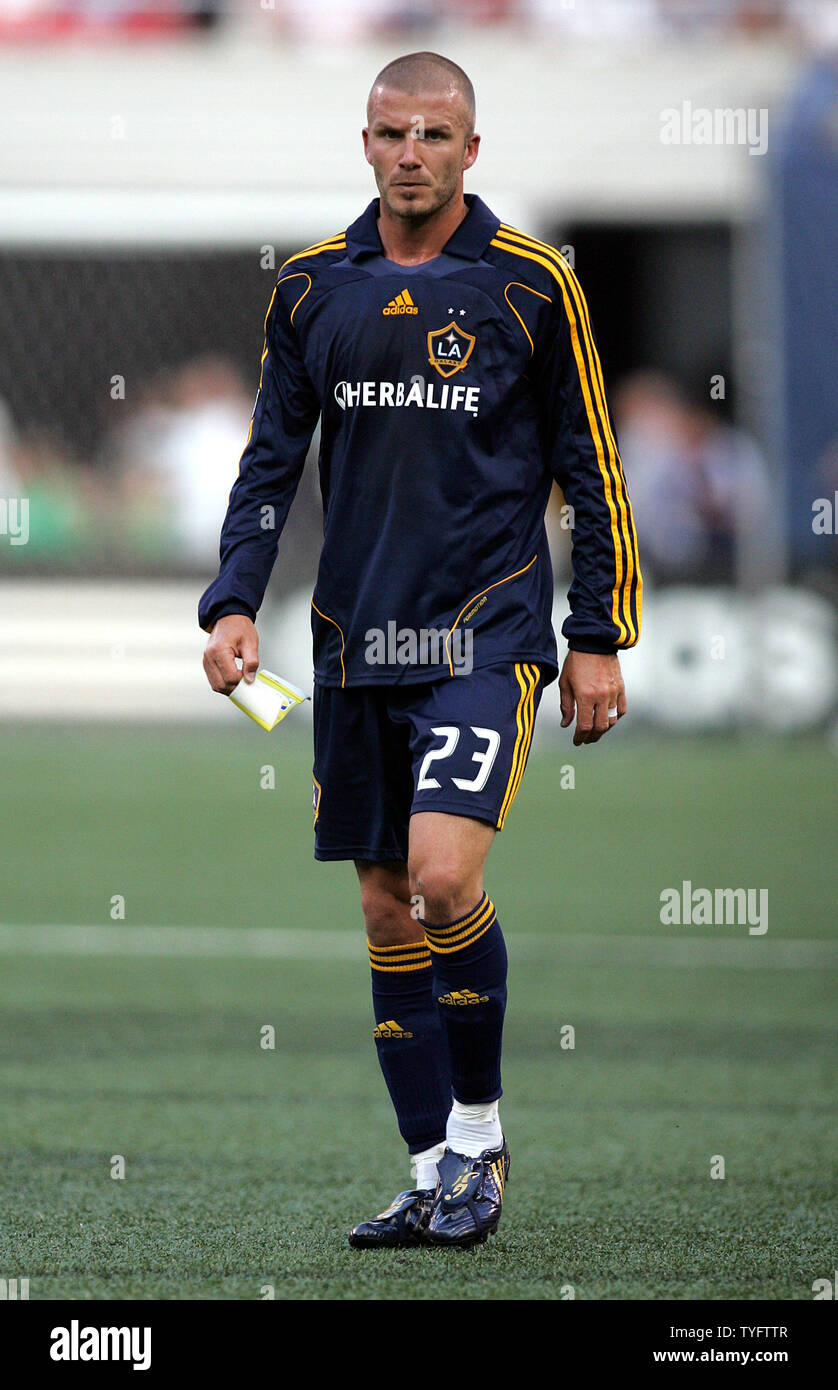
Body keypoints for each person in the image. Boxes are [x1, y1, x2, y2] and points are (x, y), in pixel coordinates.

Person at [199, 51, 641, 1249]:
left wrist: (595, 635)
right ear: (365, 143)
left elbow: (589, 467)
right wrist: (233, 601)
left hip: (481, 635)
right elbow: (269, 462)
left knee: (445, 878)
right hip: (353, 640)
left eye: (435, 135)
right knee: (390, 912)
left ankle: (482, 1134)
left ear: (471, 151)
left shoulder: (534, 284)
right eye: (392, 132)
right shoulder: (309, 290)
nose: (412, 153)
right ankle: (428, 1167)